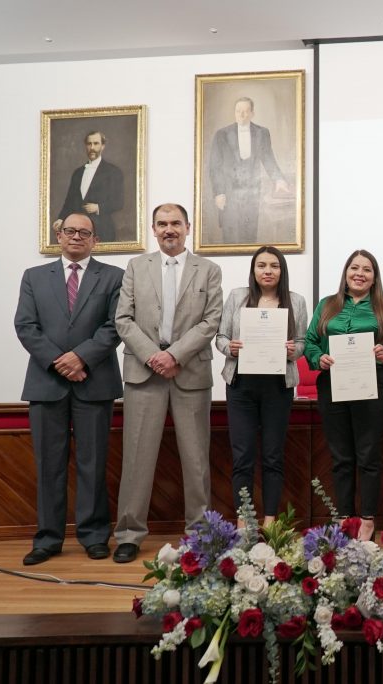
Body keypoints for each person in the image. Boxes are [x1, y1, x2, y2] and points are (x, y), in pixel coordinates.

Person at [112, 203, 223, 563]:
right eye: (162, 224)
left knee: (196, 460)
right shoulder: (135, 267)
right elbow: (124, 320)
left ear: (188, 227)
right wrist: (153, 356)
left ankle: (200, 533)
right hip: (144, 373)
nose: (169, 229)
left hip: (188, 372)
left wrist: (174, 355)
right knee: (137, 457)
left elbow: (210, 322)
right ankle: (129, 533)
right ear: (154, 230)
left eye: (176, 223)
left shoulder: (208, 269)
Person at [14, 213, 124, 565]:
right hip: (47, 382)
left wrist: (81, 358)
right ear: (59, 236)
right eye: (70, 231)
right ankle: (47, 539)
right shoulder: (33, 277)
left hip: (95, 381)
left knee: (94, 463)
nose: (77, 237)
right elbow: (26, 326)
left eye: (85, 232)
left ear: (95, 240)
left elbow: (115, 326)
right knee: (49, 465)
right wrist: (60, 361)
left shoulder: (114, 277)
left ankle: (94, 536)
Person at [304, 250, 383, 541]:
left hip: (371, 384)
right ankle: (346, 518)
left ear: (374, 277)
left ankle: (368, 519)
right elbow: (310, 342)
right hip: (332, 386)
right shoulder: (327, 305)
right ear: (346, 272)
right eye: (354, 268)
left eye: (367, 269)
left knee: (368, 455)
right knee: (340, 457)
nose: (360, 273)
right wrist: (318, 357)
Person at [216, 246, 308, 527]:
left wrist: (293, 350)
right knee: (242, 456)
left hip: (277, 388)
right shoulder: (237, 296)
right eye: (261, 265)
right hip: (241, 386)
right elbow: (220, 337)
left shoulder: (296, 300)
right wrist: (229, 348)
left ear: (282, 270)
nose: (268, 271)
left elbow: (303, 342)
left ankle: (269, 521)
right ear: (253, 270)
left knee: (272, 456)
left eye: (274, 266)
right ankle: (244, 521)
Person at [208, 96, 291, 244]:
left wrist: (279, 179)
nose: (242, 114)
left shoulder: (262, 132)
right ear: (234, 113)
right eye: (238, 111)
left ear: (252, 113)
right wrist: (219, 192)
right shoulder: (222, 135)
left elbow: (268, 158)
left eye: (246, 111)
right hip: (229, 193)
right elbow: (215, 166)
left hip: (252, 193)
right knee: (231, 235)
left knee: (250, 234)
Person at [53, 131, 125, 243]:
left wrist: (98, 207)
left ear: (103, 146)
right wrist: (61, 218)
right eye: (89, 144)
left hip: (102, 230)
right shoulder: (78, 173)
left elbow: (118, 202)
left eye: (96, 143)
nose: (92, 147)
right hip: (78, 232)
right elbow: (69, 201)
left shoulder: (113, 172)